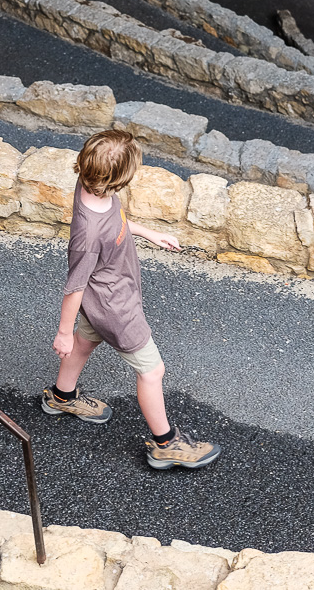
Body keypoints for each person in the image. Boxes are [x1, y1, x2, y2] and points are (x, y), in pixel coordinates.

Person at [41, 130, 222, 469]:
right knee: (153, 372)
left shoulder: (91, 188)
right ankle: (165, 444)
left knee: (84, 344)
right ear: (116, 181)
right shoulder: (88, 233)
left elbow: (115, 220)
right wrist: (62, 331)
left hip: (102, 300)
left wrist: (150, 233)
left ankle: (61, 397)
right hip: (115, 307)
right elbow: (74, 286)